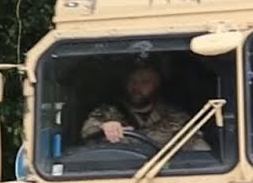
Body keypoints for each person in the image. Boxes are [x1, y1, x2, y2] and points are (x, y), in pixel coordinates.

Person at [79, 62, 208, 151]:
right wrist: (105, 126)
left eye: (145, 82)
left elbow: (198, 148)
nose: (136, 87)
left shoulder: (176, 116)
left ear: (157, 85)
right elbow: (88, 131)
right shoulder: (109, 111)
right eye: (132, 81)